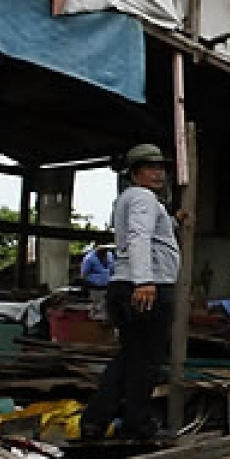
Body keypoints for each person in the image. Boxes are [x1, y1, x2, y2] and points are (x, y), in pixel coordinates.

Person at [80, 143, 181, 441]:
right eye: (151, 167)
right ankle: (136, 423)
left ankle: (96, 420)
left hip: (126, 284)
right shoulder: (143, 198)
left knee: (132, 356)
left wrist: (175, 221)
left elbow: (145, 230)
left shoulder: (132, 199)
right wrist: (144, 281)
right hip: (146, 285)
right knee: (146, 361)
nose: (158, 173)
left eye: (161, 167)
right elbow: (138, 236)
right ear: (135, 173)